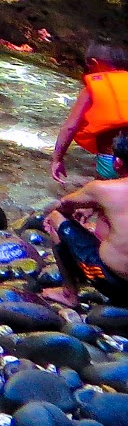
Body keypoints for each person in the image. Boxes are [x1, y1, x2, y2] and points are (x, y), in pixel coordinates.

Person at [42, 129, 128, 308]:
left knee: (55, 217)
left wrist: (87, 205)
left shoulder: (102, 189)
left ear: (118, 162)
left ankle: (69, 293)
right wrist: (94, 206)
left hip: (114, 283)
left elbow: (63, 204)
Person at [52, 43, 128, 182]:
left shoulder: (91, 89)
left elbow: (70, 127)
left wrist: (57, 160)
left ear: (94, 63)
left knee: (102, 198)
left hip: (112, 161)